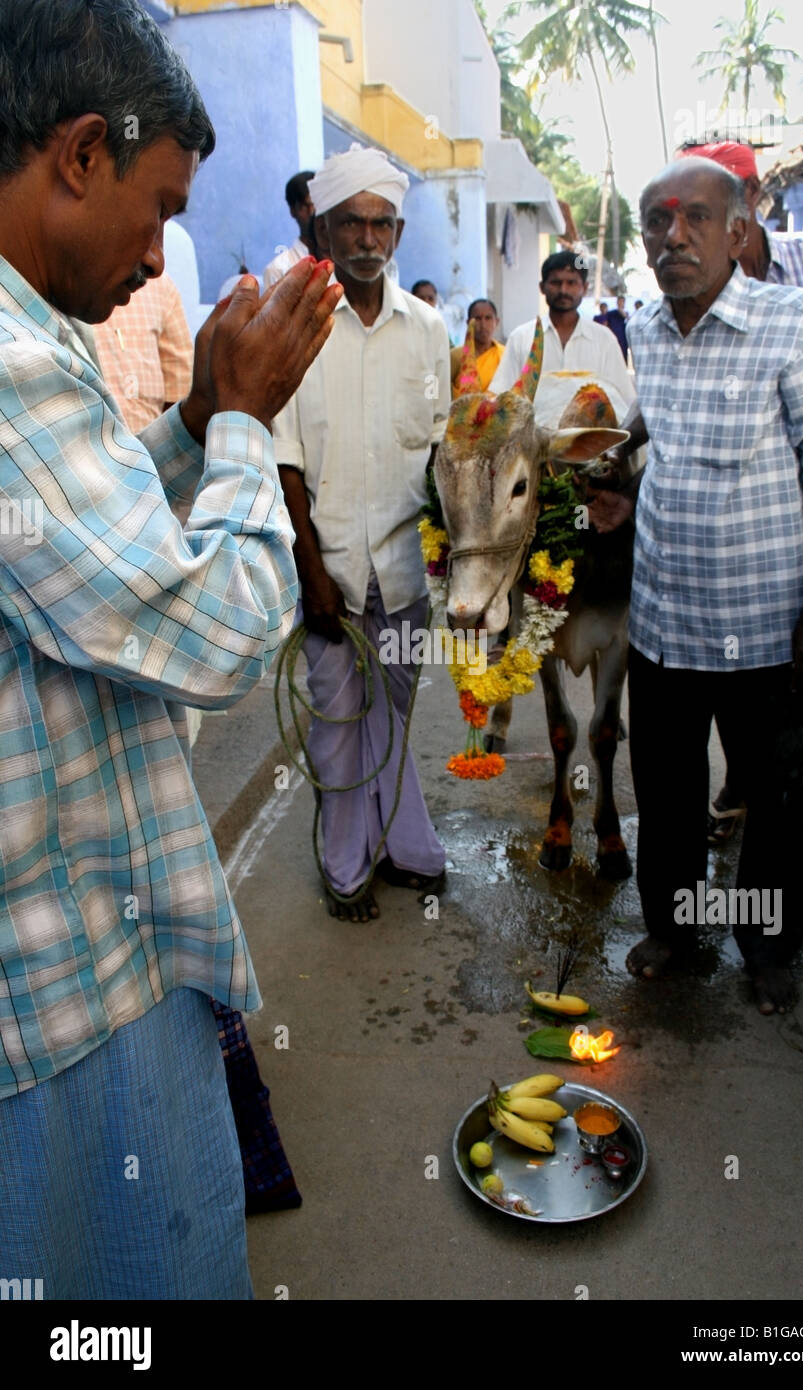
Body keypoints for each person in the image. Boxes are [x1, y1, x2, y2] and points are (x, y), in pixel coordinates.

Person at [0, 0, 341, 1298]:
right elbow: (208, 631)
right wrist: (248, 427)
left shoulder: (36, 343)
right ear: (79, 154)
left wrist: (196, 416)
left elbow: (71, 555)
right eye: (154, 210)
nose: (157, 260)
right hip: (67, 993)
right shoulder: (14, 359)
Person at [588, 157, 803, 1015]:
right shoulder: (648, 328)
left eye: (696, 217)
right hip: (665, 621)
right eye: (658, 221)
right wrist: (615, 473)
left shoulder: (795, 322)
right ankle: (676, 929)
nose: (674, 236)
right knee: (667, 795)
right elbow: (656, 431)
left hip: (772, 624)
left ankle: (769, 949)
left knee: (776, 801)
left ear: (738, 231)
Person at [273, 144, 450, 924]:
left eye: (382, 224)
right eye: (353, 223)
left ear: (398, 230)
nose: (368, 239)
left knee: (393, 718)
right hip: (332, 571)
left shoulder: (430, 331)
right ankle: (346, 867)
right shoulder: (298, 324)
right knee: (338, 727)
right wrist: (311, 575)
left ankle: (405, 848)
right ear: (325, 226)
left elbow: (442, 451)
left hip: (409, 572)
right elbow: (284, 464)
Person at [676, 140, 803, 848]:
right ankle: (739, 783)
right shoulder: (686, 281)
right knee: (741, 647)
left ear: (748, 204)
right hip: (739, 500)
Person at [490, 250, 635, 408]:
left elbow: (624, 401)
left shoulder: (604, 340)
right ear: (542, 287)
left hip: (591, 433)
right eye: (556, 283)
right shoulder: (521, 338)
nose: (563, 290)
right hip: (532, 432)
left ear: (584, 288)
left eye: (571, 283)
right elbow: (501, 397)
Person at [91, 271, 193, 432]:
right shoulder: (53, 284)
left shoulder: (159, 286)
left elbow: (178, 398)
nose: (156, 262)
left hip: (150, 452)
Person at [263, 168, 318, 289]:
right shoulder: (278, 270)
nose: (312, 212)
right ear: (293, 210)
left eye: (316, 204)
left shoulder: (344, 261)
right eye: (305, 206)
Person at [450, 297, 504, 395]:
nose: (483, 324)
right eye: (478, 319)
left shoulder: (505, 354)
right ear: (468, 322)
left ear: (496, 321)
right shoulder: (456, 356)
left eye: (488, 318)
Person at [605, 294, 630, 361]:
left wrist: (620, 308)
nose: (620, 303)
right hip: (612, 337)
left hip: (622, 339)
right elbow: (606, 324)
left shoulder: (626, 313)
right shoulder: (611, 313)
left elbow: (626, 317)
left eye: (622, 301)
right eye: (619, 301)